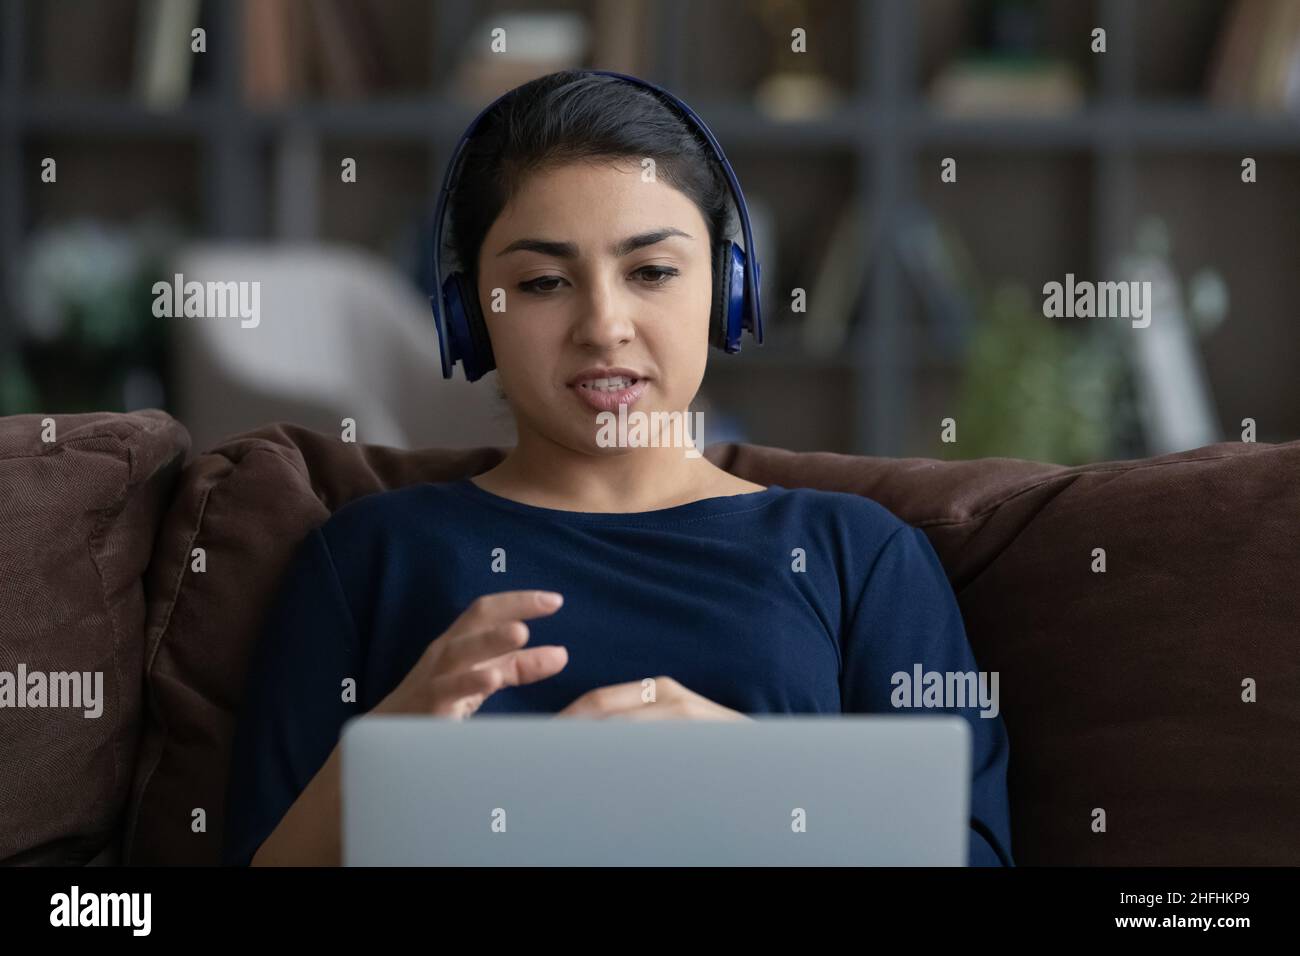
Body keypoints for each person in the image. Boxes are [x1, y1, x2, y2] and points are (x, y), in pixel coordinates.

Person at [221, 70, 1014, 867]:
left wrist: (770, 782)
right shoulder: (367, 557)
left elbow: (974, 856)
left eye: (653, 272)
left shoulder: (861, 556)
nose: (604, 325)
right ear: (471, 319)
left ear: (728, 292)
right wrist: (386, 752)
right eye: (542, 283)